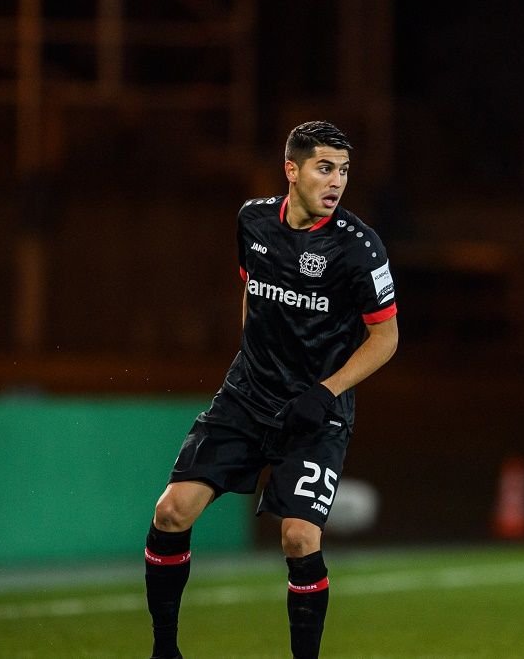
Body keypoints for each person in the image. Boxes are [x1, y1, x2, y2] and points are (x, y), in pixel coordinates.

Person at [144, 121, 398, 659]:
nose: (336, 182)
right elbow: (251, 292)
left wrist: (326, 393)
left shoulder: (360, 249)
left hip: (316, 413)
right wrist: (252, 362)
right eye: (325, 168)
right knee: (171, 512)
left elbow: (386, 338)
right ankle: (164, 651)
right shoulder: (253, 220)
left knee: (299, 538)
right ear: (292, 170)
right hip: (246, 398)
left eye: (344, 171)